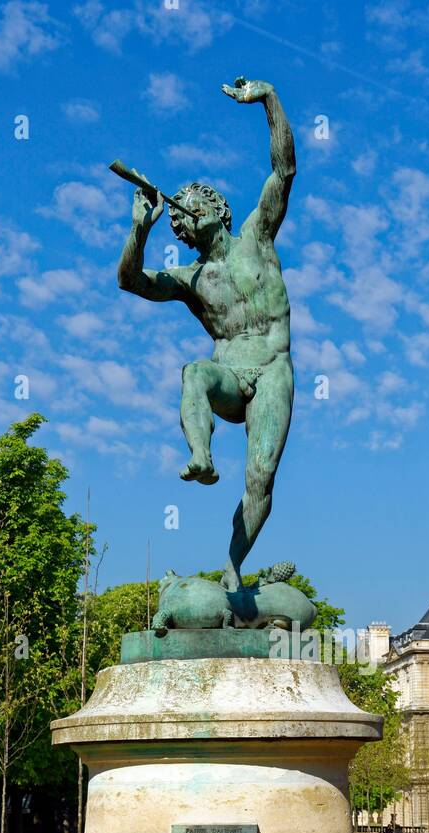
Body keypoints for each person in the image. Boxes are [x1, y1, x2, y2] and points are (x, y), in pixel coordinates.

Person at [117, 77, 295, 591]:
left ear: (216, 209)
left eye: (186, 209)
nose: (180, 219)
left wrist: (268, 99)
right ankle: (201, 456)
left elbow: (284, 169)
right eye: (175, 221)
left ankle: (234, 565)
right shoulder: (191, 279)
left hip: (273, 370)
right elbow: (130, 281)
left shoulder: (258, 236)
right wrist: (139, 230)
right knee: (194, 371)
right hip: (229, 375)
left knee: (260, 479)